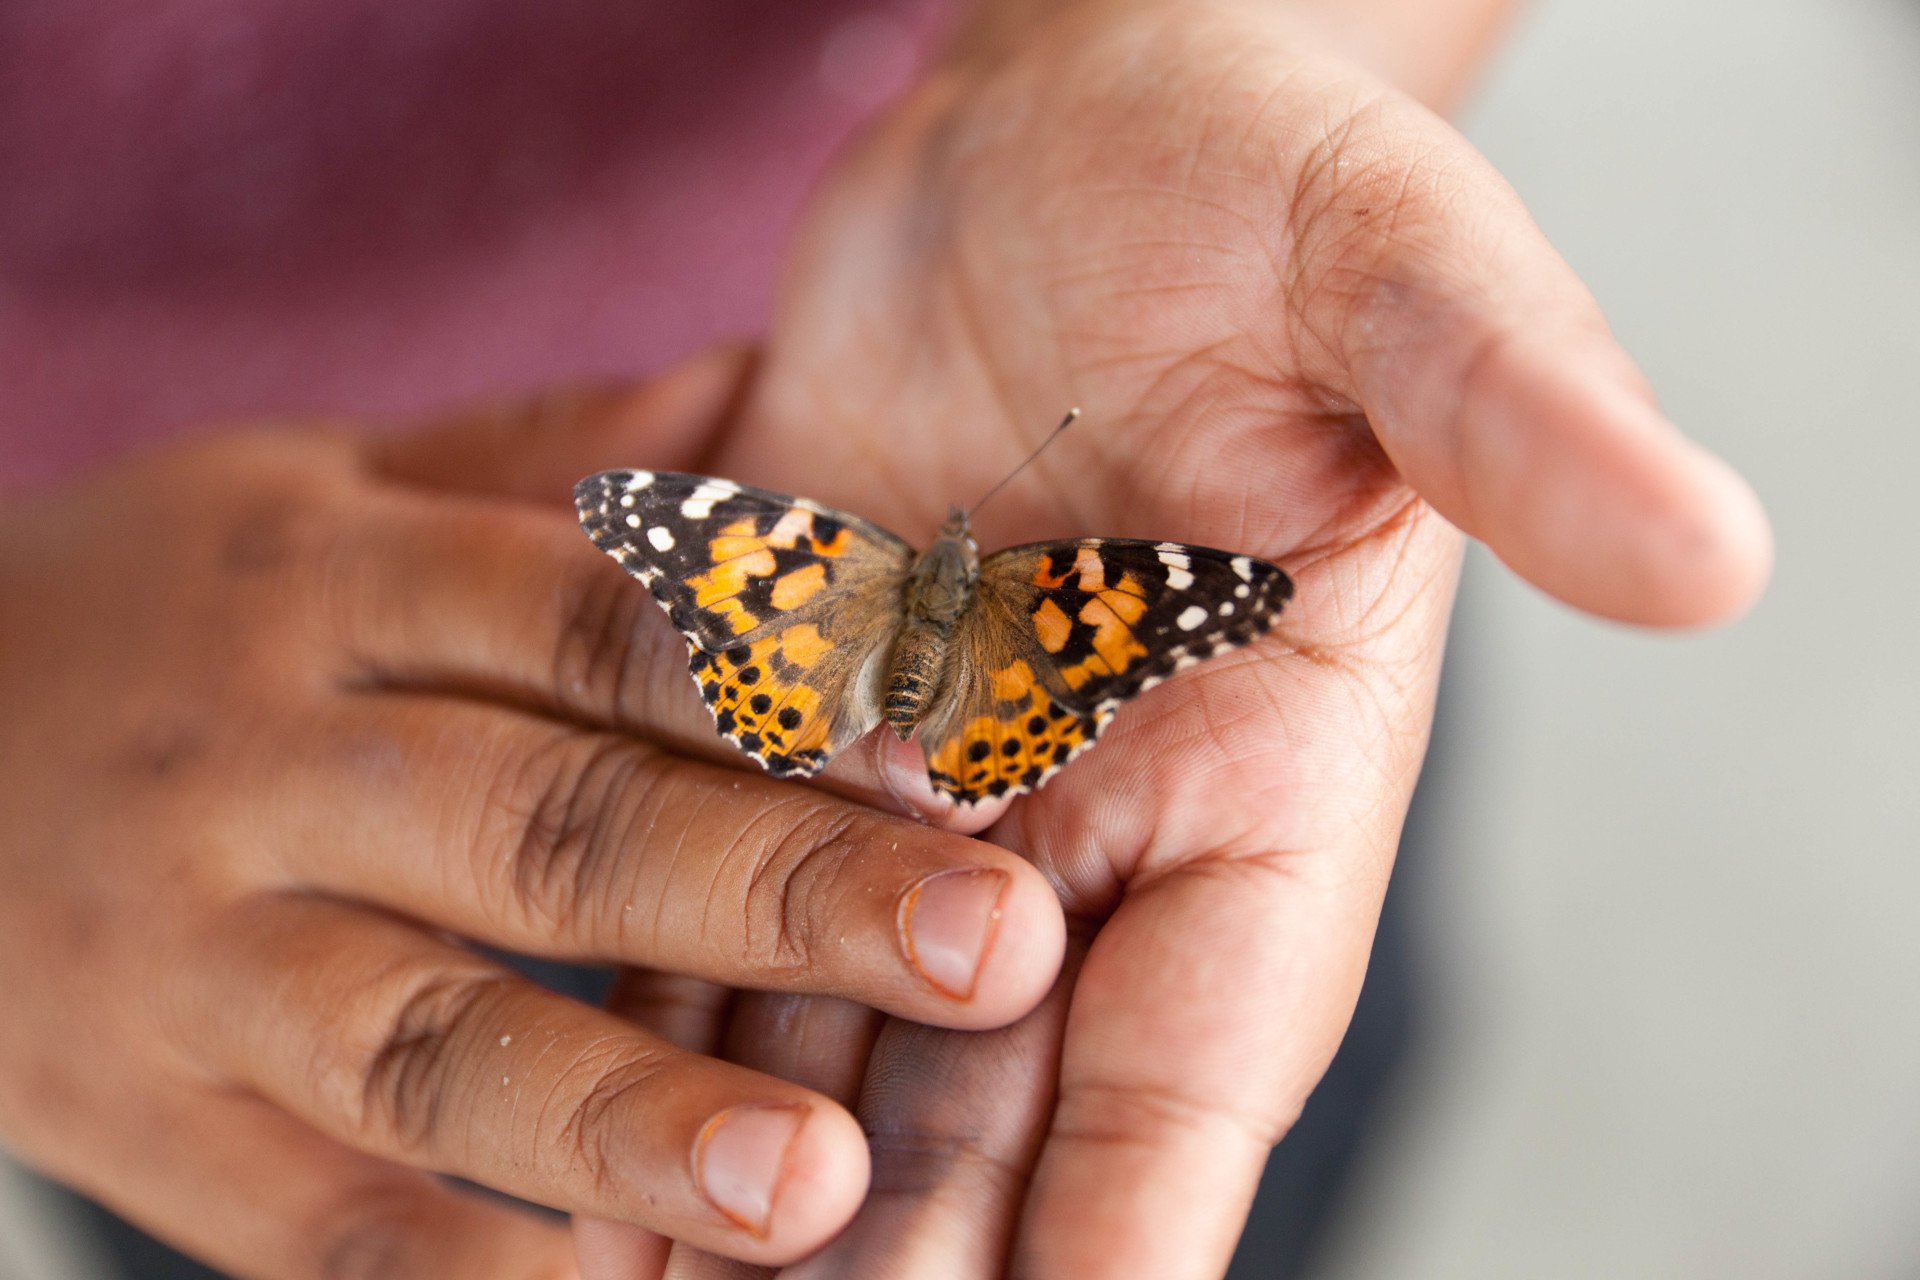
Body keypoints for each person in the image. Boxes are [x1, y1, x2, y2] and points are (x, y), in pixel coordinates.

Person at [0, 0, 1771, 1276]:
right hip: (130, 778)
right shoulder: (1043, 583)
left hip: (1041, 547)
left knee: (1192, 1151)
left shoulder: (811, 558)